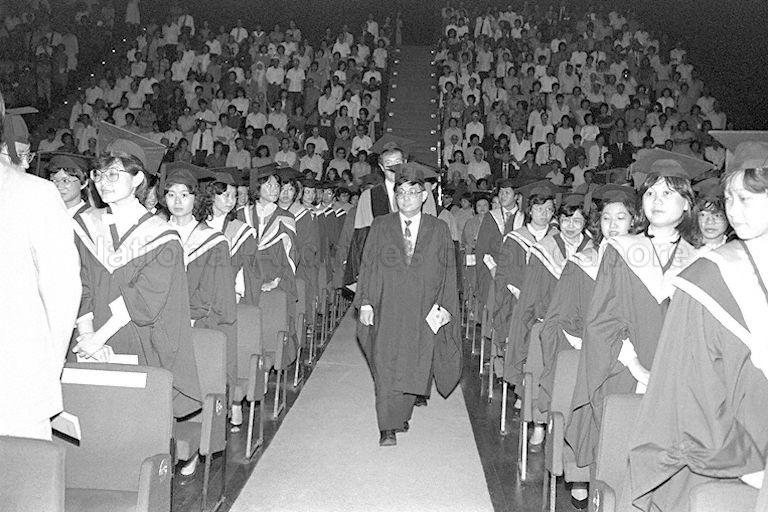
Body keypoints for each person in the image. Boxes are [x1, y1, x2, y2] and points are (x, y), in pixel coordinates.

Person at [628, 135, 768, 512]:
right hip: (736, 453)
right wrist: (751, 461)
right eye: (730, 199)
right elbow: (691, 393)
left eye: (747, 199)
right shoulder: (709, 277)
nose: (735, 211)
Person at [566, 149, 710, 469]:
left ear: (687, 202)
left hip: (684, 380)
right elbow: (601, 321)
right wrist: (634, 364)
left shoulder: (704, 258)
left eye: (668, 193)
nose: (657, 199)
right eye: (651, 192)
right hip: (626, 373)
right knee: (622, 462)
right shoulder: (624, 250)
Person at [71, 131, 201, 418]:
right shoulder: (85, 225)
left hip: (136, 340)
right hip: (85, 339)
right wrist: (88, 336)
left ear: (139, 178)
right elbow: (78, 285)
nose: (104, 183)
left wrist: (98, 339)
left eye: (114, 175)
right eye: (100, 175)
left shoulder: (162, 236)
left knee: (128, 427)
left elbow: (144, 299)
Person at [356, 162, 461, 446]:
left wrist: (445, 307)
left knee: (414, 363)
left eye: (412, 193)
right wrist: (366, 302)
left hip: (422, 307)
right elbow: (369, 266)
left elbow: (448, 271)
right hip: (387, 304)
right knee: (386, 361)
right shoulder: (381, 225)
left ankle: (400, 413)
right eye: (400, 193)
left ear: (424, 195)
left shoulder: (439, 229)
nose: (406, 199)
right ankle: (387, 426)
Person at [0, 107, 82, 440]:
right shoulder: (34, 193)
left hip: (15, 376)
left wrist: (45, 371)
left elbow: (62, 293)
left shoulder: (35, 193)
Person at [162, 162, 237, 475]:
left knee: (192, 386)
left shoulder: (212, 241)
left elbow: (221, 295)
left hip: (196, 325)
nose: (177, 201)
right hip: (159, 327)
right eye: (170, 194)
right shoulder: (153, 234)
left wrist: (194, 318)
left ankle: (192, 447)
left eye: (185, 194)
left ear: (197, 199)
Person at [474, 178, 525, 312]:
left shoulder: (525, 218)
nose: (503, 196)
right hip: (493, 268)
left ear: (516, 196)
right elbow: (482, 247)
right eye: (501, 193)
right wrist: (492, 268)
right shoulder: (491, 217)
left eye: (507, 193)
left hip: (517, 270)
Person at [46, 152, 92, 217]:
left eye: (65, 181)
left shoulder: (91, 217)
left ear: (83, 183)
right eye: (54, 180)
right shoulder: (47, 212)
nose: (59, 186)